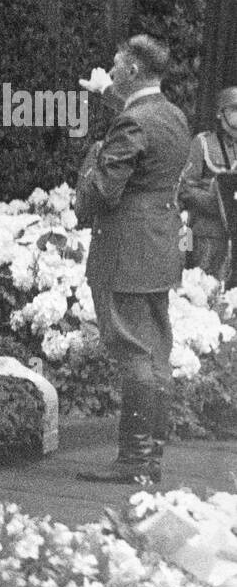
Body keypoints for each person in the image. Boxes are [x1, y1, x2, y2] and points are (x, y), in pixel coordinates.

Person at [75, 34, 191, 484]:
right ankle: (149, 457)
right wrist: (106, 93)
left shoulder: (133, 123)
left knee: (133, 353)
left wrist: (91, 160)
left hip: (124, 252)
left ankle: (134, 460)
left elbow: (104, 191)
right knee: (156, 352)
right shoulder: (173, 115)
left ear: (133, 70)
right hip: (158, 250)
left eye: (116, 66)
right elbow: (140, 123)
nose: (112, 70)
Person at [179, 84, 237, 287]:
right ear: (220, 113)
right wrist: (217, 202)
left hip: (234, 234)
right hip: (207, 234)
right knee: (203, 289)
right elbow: (184, 188)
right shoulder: (203, 143)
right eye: (234, 109)